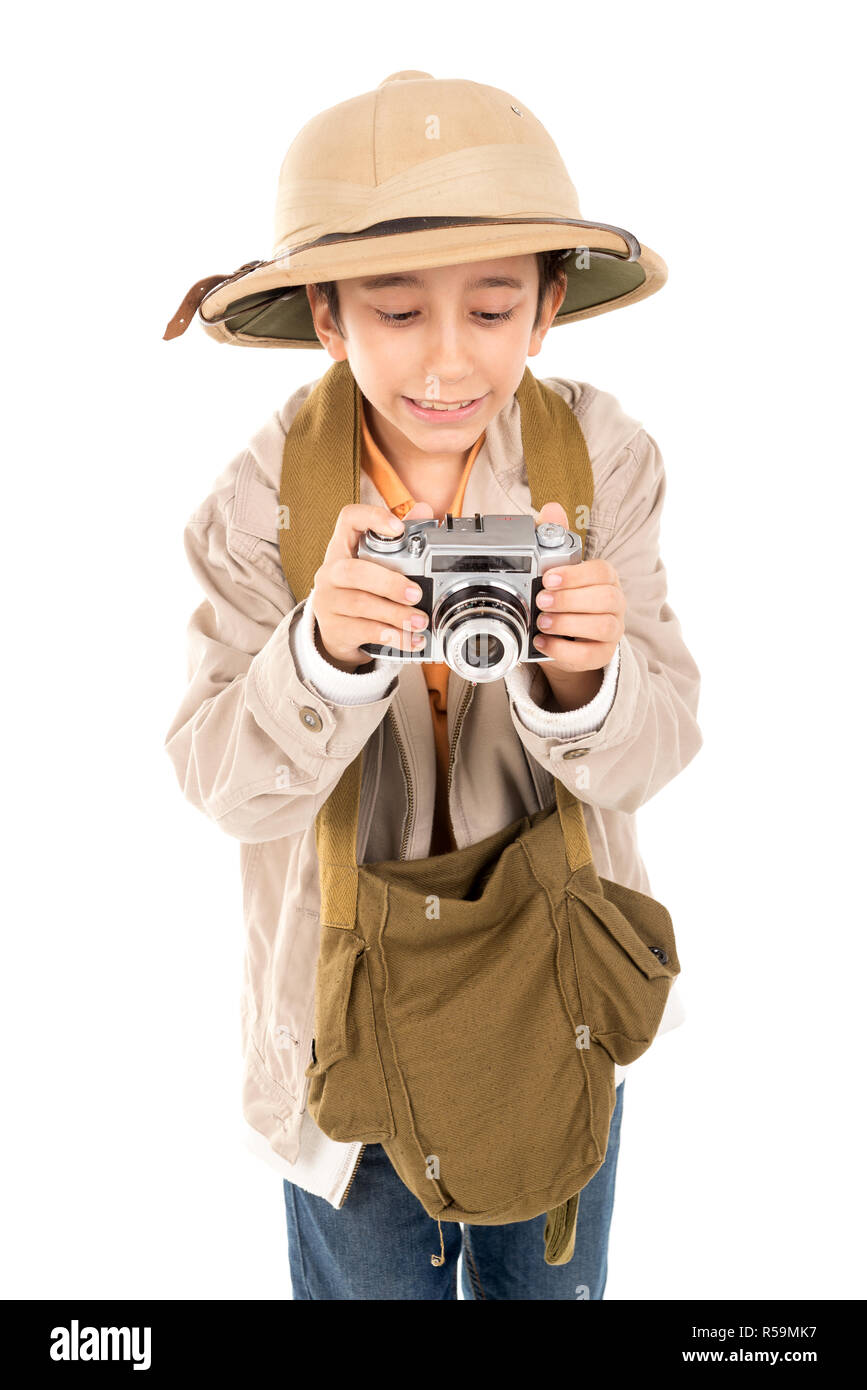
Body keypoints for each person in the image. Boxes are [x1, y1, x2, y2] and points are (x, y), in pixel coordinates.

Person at [163, 70, 703, 1300]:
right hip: (338, 1019)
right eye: (398, 312)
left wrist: (582, 681)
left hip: (555, 999)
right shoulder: (256, 505)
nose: (450, 360)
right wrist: (322, 660)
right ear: (327, 320)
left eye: (494, 307)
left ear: (549, 309)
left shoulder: (597, 460)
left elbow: (663, 744)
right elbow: (223, 788)